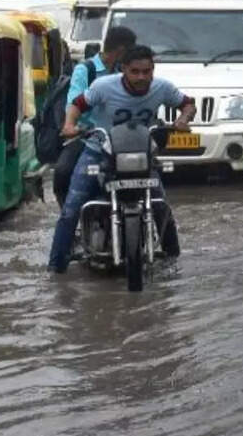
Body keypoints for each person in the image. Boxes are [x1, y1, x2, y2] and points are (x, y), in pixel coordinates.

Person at [47, 45, 196, 274]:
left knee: (161, 207)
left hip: (141, 155)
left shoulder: (162, 87)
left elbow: (187, 103)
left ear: (153, 70)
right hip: (99, 151)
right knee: (71, 210)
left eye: (146, 72)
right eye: (135, 71)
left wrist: (184, 119)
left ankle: (173, 263)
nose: (141, 77)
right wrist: (69, 125)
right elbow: (78, 104)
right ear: (124, 69)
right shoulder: (103, 87)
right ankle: (56, 269)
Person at [51, 26, 136, 205]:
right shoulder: (85, 70)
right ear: (121, 51)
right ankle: (70, 219)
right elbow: (74, 101)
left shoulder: (127, 72)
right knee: (62, 172)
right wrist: (72, 126)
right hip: (87, 135)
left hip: (119, 136)